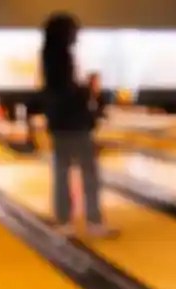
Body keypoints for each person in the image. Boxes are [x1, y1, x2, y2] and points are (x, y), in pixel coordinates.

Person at [40, 12, 116, 239]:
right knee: (89, 173)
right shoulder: (63, 57)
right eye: (74, 31)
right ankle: (94, 222)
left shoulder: (48, 55)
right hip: (74, 123)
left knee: (62, 172)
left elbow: (56, 91)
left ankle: (64, 221)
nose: (77, 36)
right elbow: (68, 92)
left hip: (58, 122)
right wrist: (87, 90)